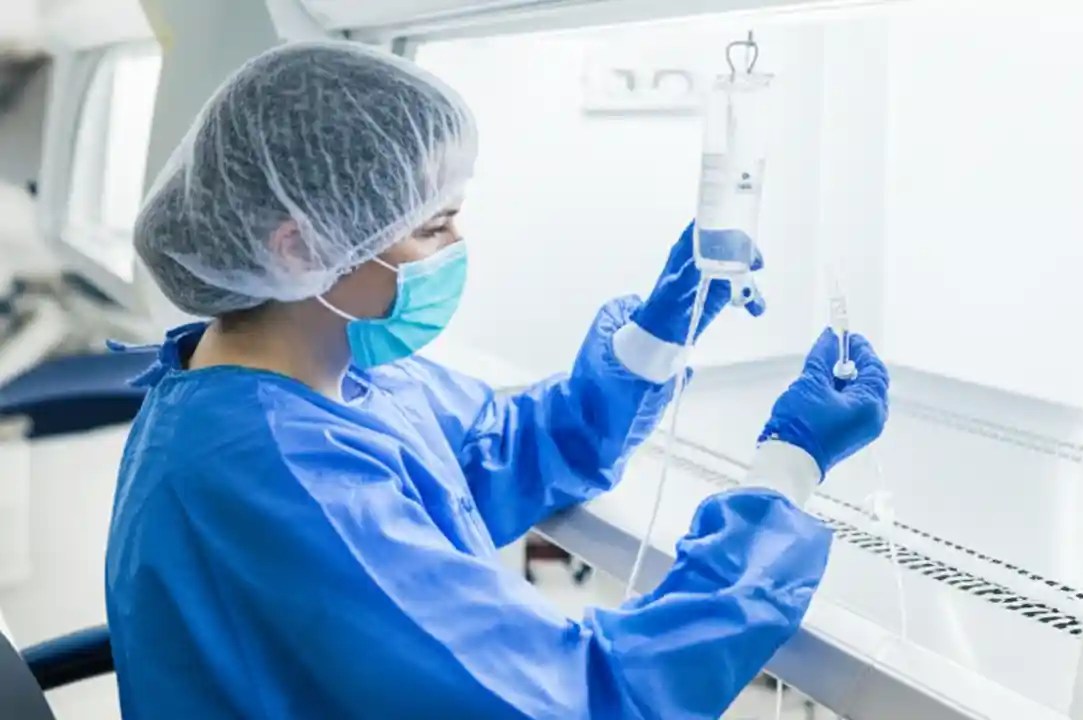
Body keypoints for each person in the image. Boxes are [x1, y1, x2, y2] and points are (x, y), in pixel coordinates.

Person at [106, 41, 890, 720]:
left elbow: (494, 455)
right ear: (296, 247)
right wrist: (786, 471)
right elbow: (589, 701)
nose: (457, 246)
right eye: (431, 226)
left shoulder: (324, 376)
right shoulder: (279, 474)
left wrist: (660, 329)